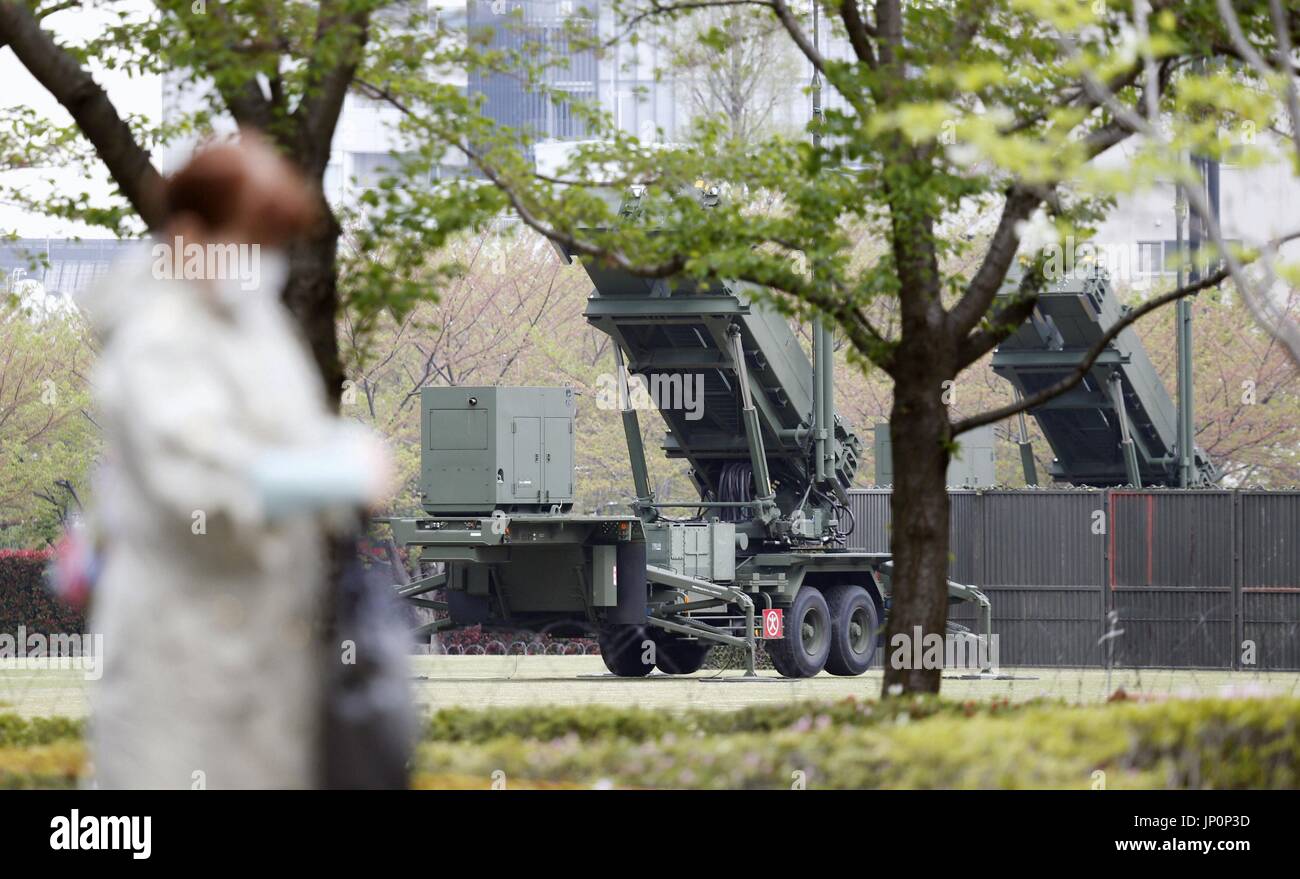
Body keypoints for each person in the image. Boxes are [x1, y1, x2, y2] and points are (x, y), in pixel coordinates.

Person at [80, 133, 392, 789]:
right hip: (181, 651)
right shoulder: (156, 336)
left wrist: (337, 453)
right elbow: (204, 484)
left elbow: (293, 432)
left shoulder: (255, 325)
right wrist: (334, 474)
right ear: (191, 234)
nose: (263, 263)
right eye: (252, 239)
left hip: (270, 652)